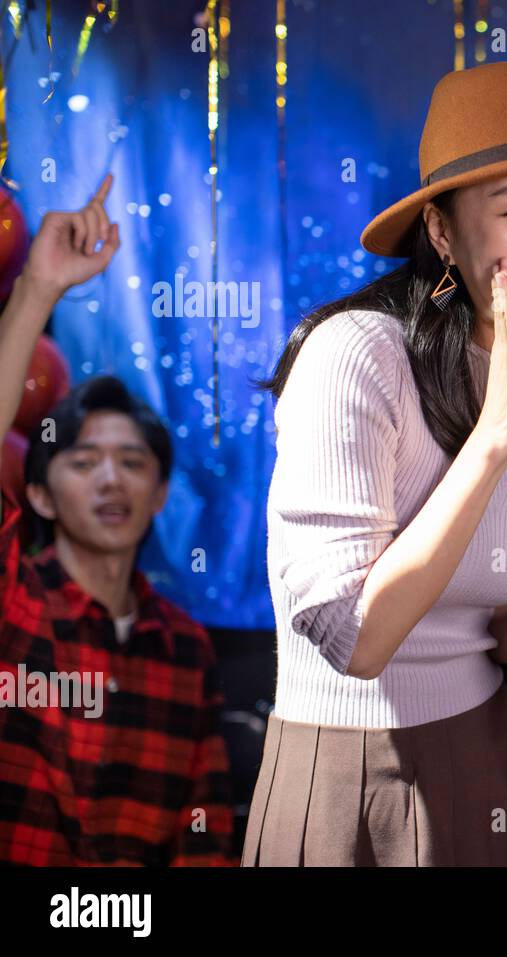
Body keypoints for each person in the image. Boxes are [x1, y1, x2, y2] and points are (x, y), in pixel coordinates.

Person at [241, 62, 507, 866]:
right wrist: (493, 440)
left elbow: (489, 615)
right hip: (348, 769)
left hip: (491, 755)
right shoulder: (356, 355)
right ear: (441, 231)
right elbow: (355, 639)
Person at [0, 175, 236, 866]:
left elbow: (206, 826)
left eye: (133, 462)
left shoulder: (186, 647)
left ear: (161, 493)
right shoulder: (13, 599)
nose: (111, 478)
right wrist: (38, 289)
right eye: (85, 460)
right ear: (38, 495)